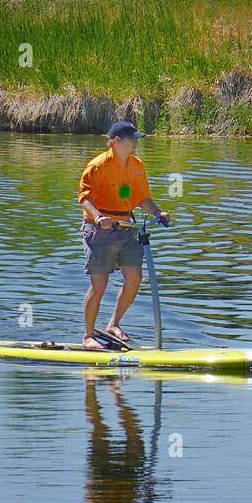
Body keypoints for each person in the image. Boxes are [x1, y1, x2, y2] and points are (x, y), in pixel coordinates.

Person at [77, 120, 171, 350]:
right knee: (99, 284)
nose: (136, 142)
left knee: (135, 278)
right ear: (116, 141)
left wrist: (158, 212)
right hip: (99, 230)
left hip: (127, 227)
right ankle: (88, 336)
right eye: (132, 138)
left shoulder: (137, 165)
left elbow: (141, 198)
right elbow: (84, 198)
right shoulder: (98, 165)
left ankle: (113, 324)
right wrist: (99, 217)